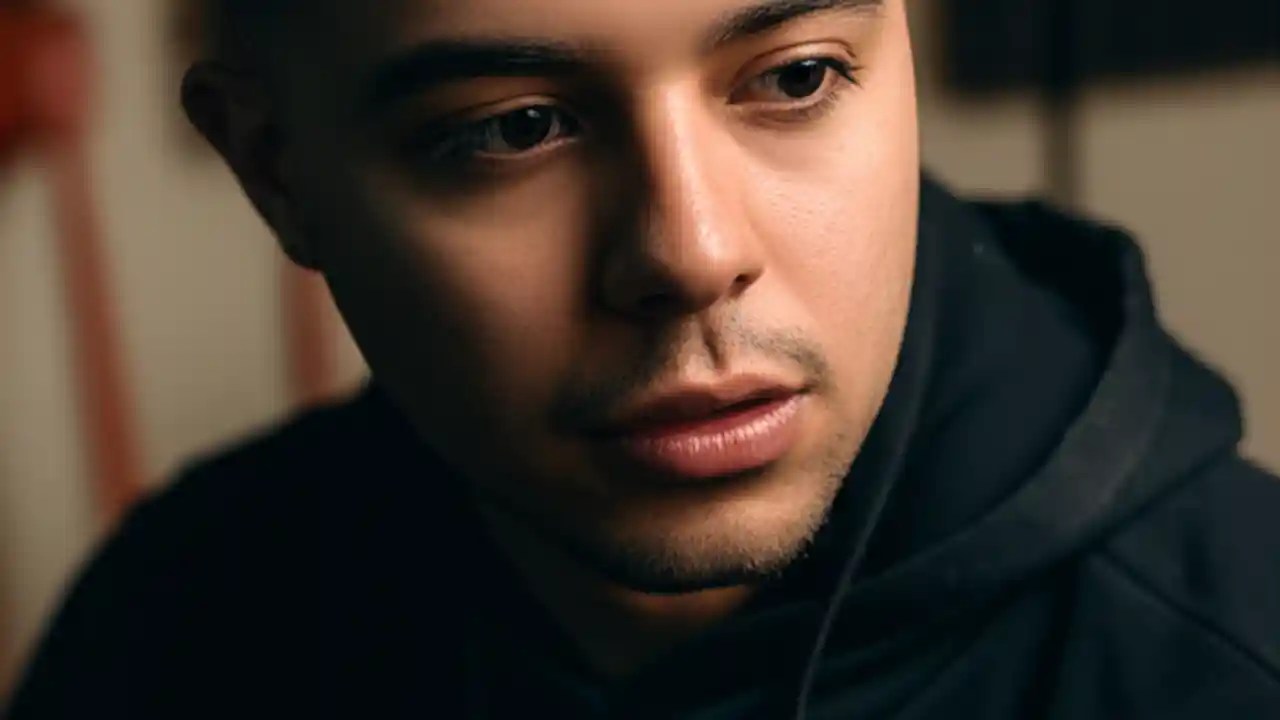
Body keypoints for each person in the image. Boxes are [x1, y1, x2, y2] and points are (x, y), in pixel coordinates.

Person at [7, 1, 1279, 717]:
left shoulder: (1225, 662)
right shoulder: (172, 634)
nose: (690, 251)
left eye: (790, 76)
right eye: (513, 127)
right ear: (274, 171)